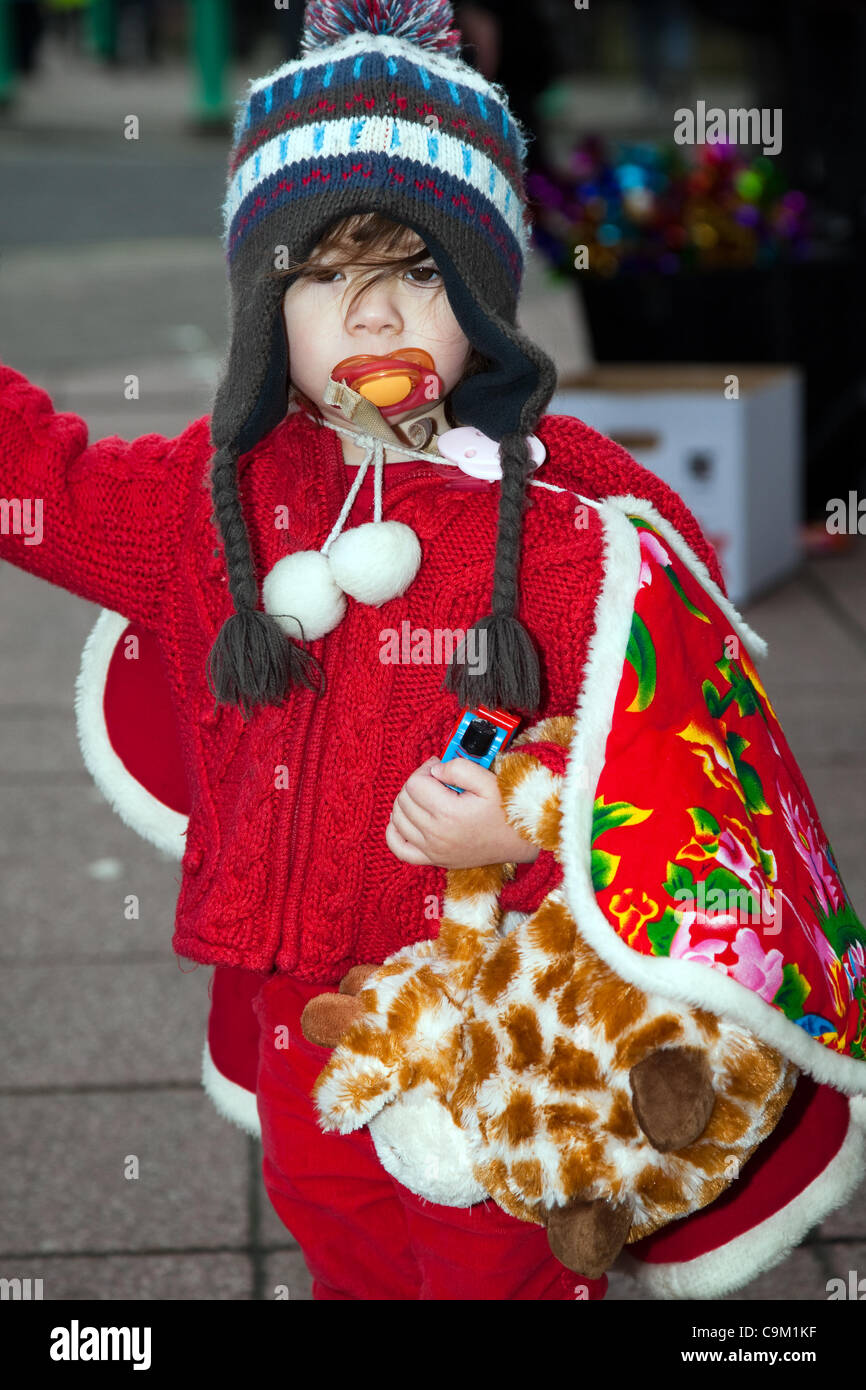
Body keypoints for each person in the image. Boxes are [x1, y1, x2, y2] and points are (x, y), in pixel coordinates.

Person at [2, 0, 864, 1302]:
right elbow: (44, 488)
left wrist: (518, 823)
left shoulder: (564, 524)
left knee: (488, 1270)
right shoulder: (208, 498)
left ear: (483, 302)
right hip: (302, 1019)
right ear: (262, 307)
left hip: (486, 1014)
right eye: (324, 277)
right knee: (335, 1230)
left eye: (416, 273)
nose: (372, 315)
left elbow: (657, 744)